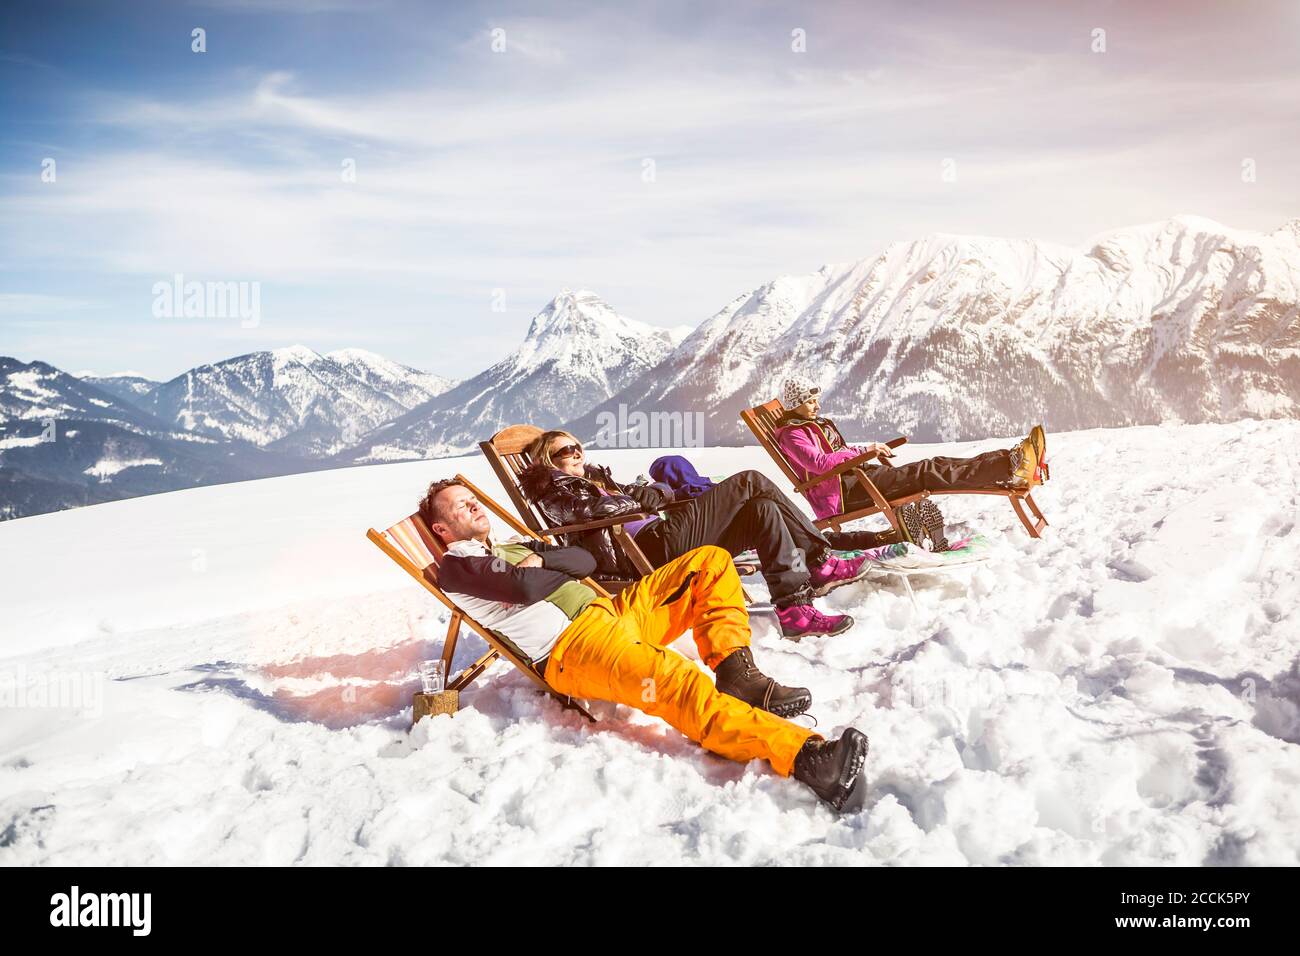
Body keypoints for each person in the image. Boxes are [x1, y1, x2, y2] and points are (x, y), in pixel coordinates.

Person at [419, 478, 870, 812]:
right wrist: (548, 567)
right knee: (676, 683)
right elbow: (523, 589)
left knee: (708, 562)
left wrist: (545, 561)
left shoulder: (514, 546)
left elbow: (585, 559)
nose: (473, 505)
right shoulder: (458, 566)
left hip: (614, 613)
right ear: (442, 529)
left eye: (471, 498)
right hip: (575, 648)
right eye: (460, 507)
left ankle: (736, 670)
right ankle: (808, 758)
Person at [519, 432, 886, 639]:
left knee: (763, 510)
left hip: (662, 535)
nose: (576, 450)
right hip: (651, 549)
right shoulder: (552, 487)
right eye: (566, 450)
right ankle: (820, 561)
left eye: (577, 444)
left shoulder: (596, 479)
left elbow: (648, 492)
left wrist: (652, 493)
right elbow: (585, 512)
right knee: (750, 481)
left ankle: (793, 610)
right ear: (548, 460)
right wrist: (631, 501)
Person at [773, 377, 1047, 547]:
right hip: (845, 493)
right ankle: (1009, 468)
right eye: (810, 402)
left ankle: (1008, 461)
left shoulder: (809, 424)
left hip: (858, 477)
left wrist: (869, 450)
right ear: (794, 405)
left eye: (816, 400)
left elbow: (840, 450)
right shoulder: (793, 434)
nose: (817, 406)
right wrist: (863, 452)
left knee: (934, 463)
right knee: (927, 471)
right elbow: (820, 464)